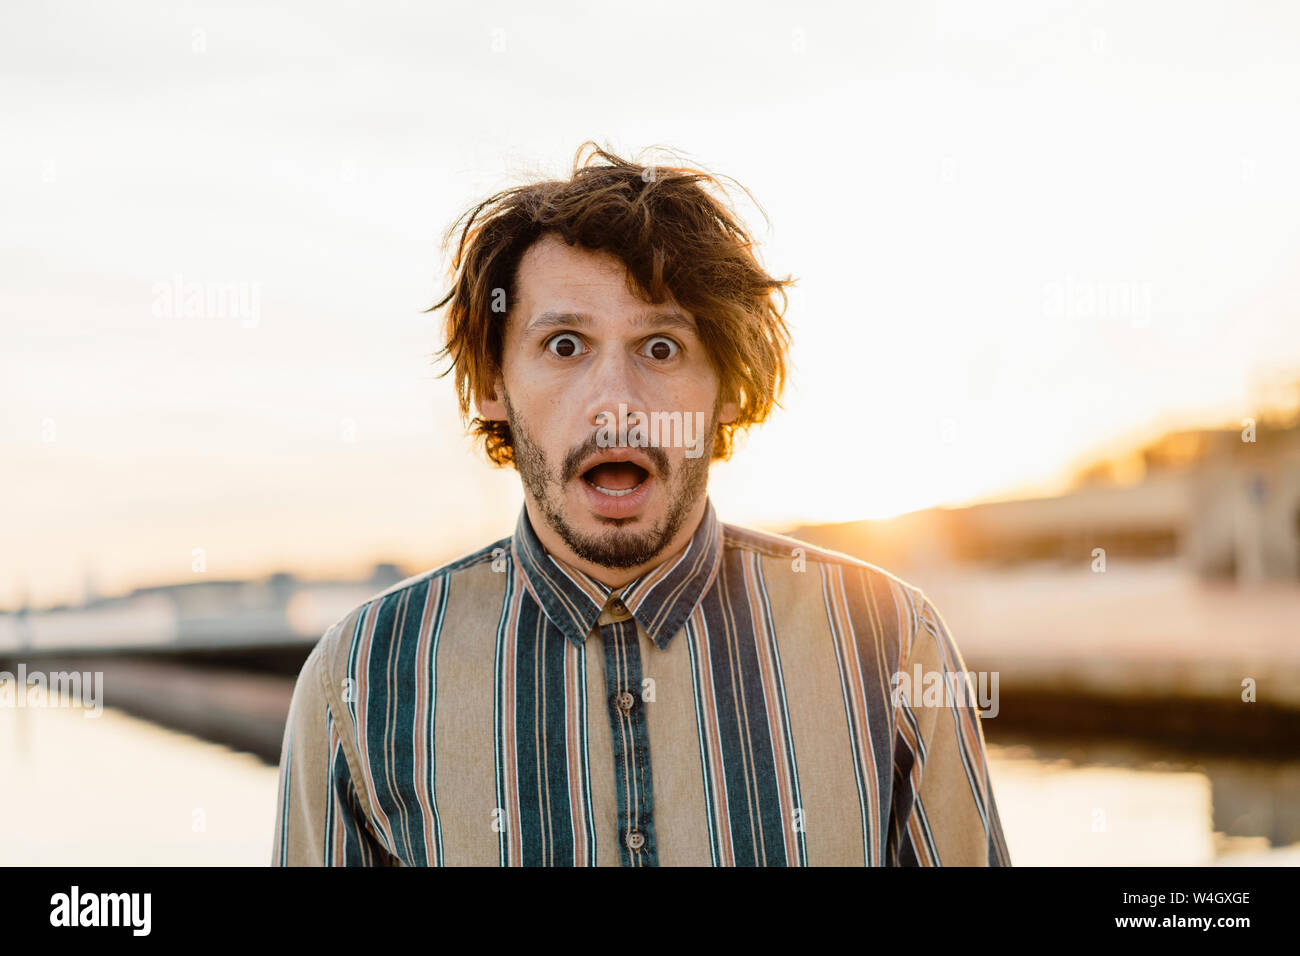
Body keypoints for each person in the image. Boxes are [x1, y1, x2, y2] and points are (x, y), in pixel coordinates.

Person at [271, 142, 1011, 866]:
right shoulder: (359, 679)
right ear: (493, 386)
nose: (615, 405)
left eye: (661, 349)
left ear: (726, 387)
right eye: (564, 346)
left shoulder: (890, 643)